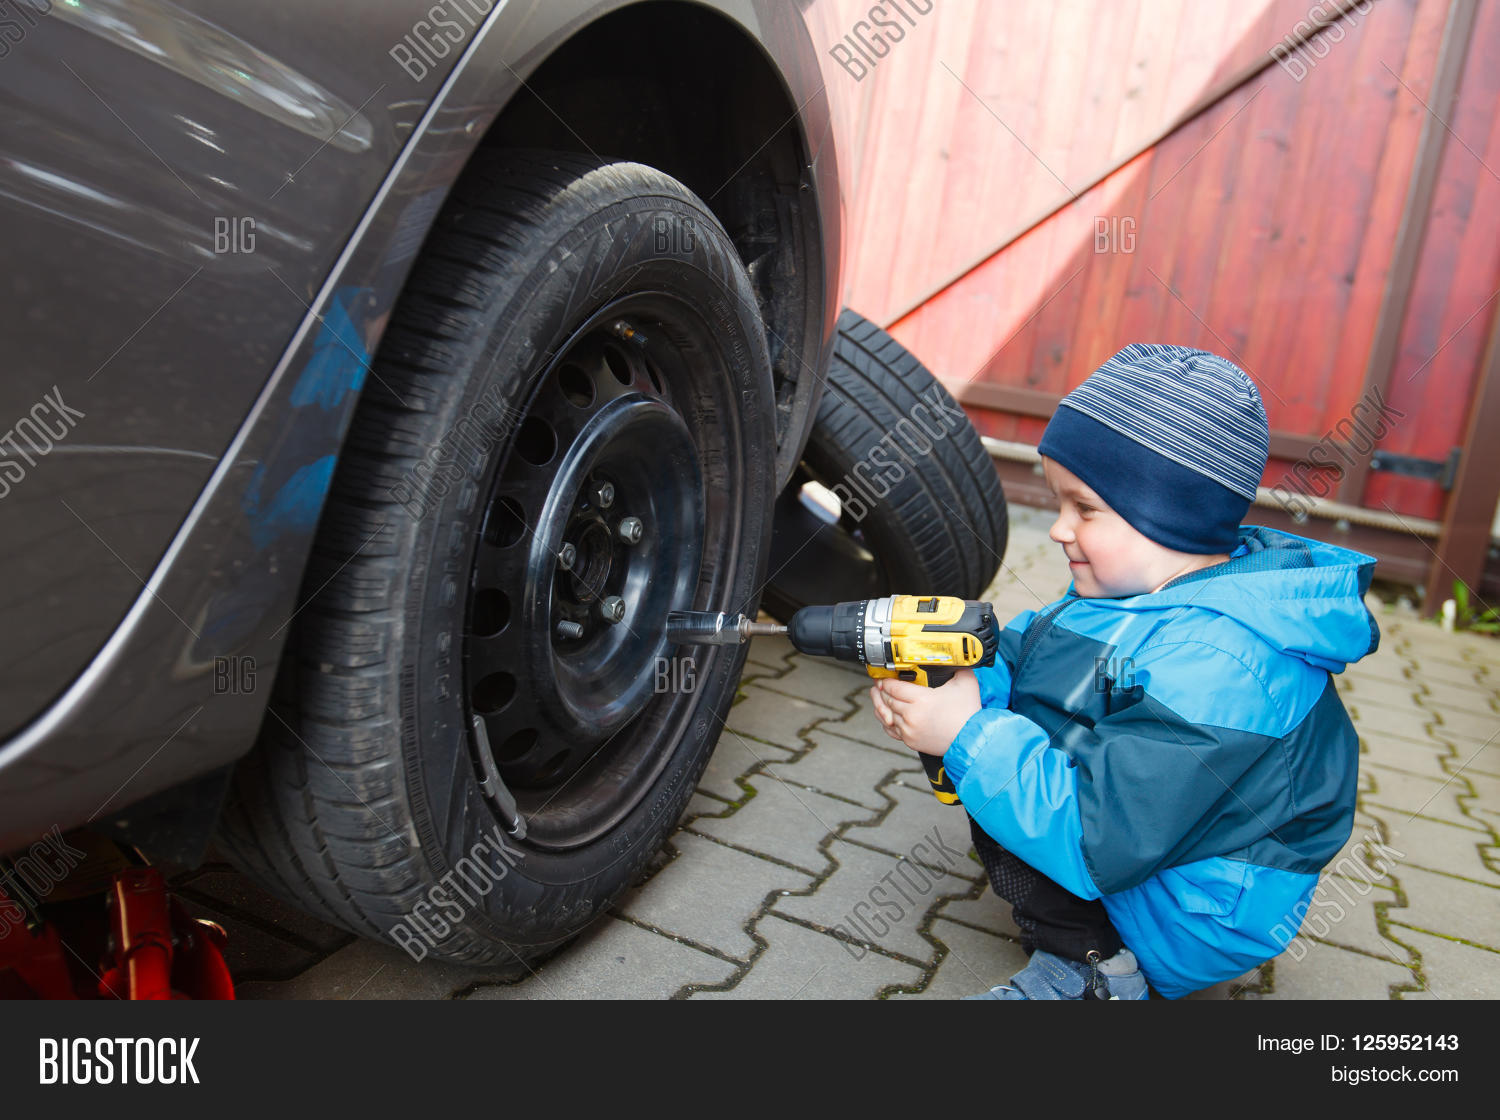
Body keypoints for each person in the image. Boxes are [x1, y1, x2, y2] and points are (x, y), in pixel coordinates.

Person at [870, 343, 1380, 999]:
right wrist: (959, 688)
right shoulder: (1130, 594)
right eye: (1059, 505)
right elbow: (1032, 667)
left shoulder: (1221, 669)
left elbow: (1097, 835)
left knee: (994, 767)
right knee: (987, 755)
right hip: (1153, 847)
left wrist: (968, 734)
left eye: (1083, 509)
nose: (1058, 530)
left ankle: (1094, 972)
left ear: (1168, 512)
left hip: (1200, 913)